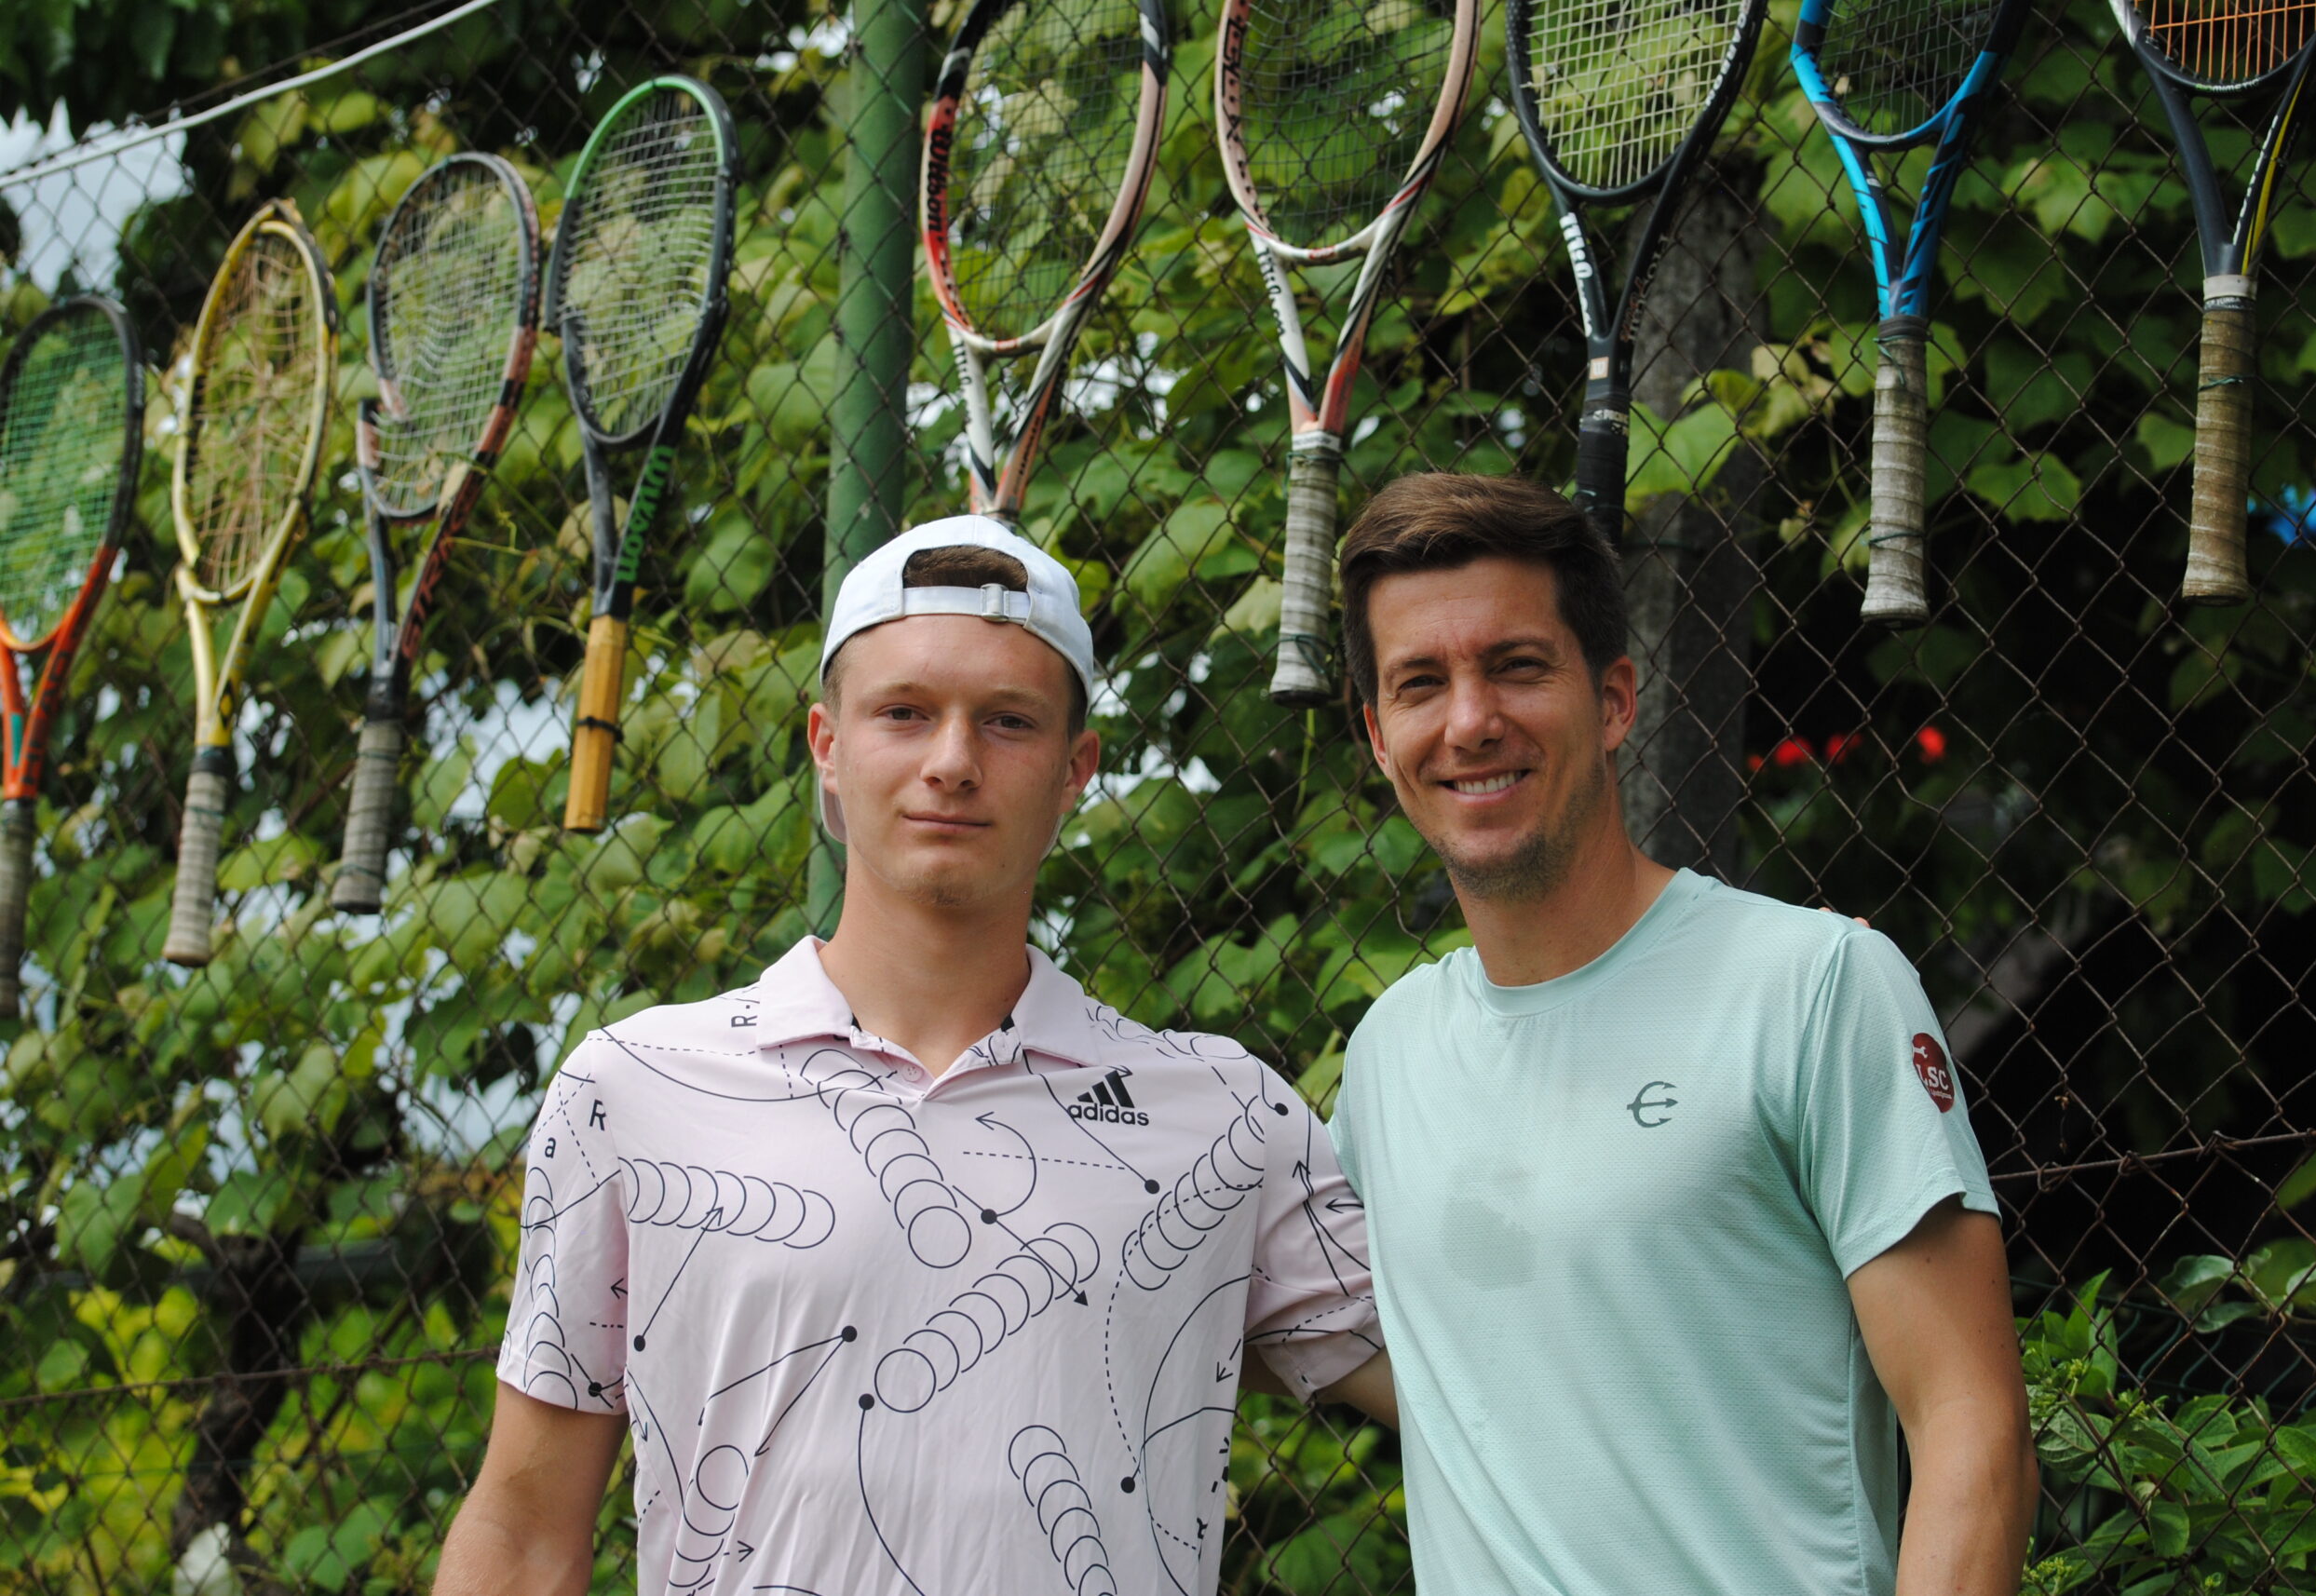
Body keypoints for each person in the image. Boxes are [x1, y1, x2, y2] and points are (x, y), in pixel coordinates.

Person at [435, 516, 1391, 1596]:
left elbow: (1483, 1383)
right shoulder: (633, 1088)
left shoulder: (1227, 1117)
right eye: (904, 713)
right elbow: (523, 1536)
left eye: (1007, 722)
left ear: (1076, 767)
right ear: (827, 747)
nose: (952, 761)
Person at [1327, 473, 2037, 1596]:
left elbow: (1970, 1424)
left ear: (1614, 699)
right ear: (1378, 735)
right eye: (1422, 684)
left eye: (1516, 665)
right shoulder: (1388, 1057)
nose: (1470, 722)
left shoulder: (1812, 987)